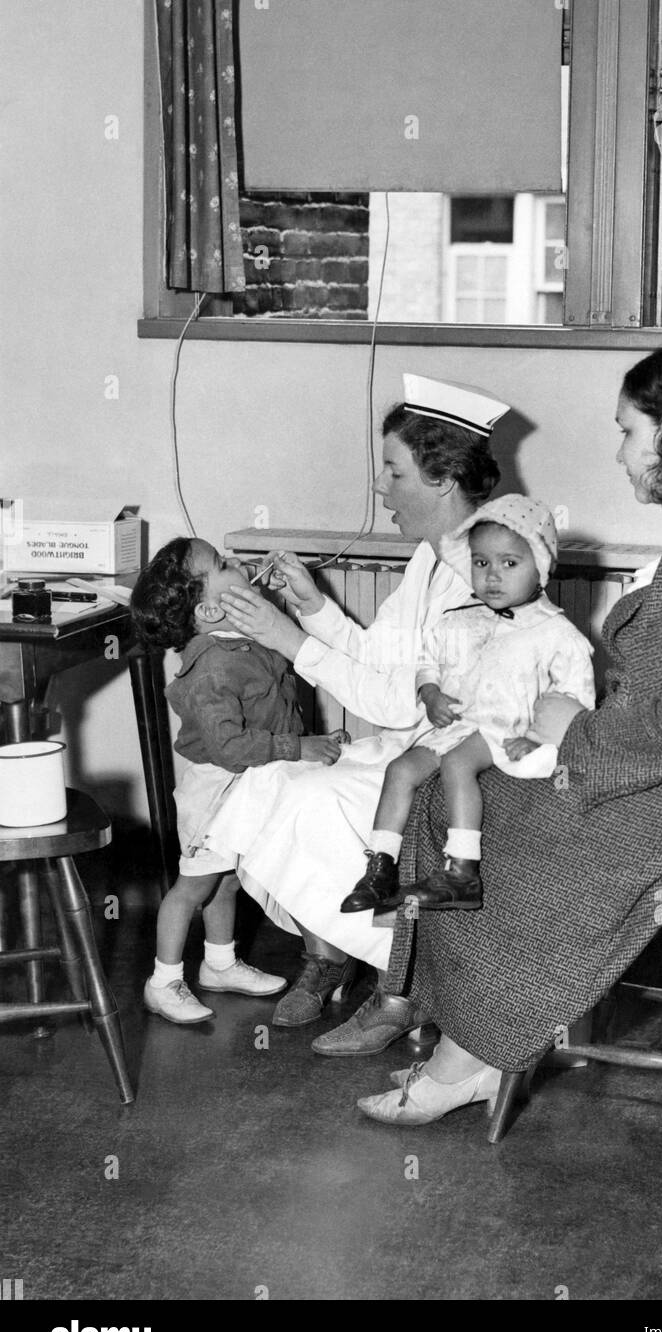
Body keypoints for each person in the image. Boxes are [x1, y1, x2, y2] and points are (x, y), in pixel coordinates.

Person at [355, 340, 662, 1125]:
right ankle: (472, 1048)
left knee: (459, 809)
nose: (620, 453)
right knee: (463, 795)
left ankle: (470, 1053)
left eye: (628, 432)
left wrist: (575, 733)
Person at [205, 375, 512, 1051]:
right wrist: (311, 605)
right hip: (416, 742)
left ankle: (402, 986)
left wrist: (284, 637)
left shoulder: (480, 566)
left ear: (440, 479)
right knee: (267, 782)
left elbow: (393, 697)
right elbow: (381, 657)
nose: (380, 487)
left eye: (392, 470)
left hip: (463, 769)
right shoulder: (436, 555)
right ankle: (331, 952)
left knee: (315, 798)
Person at [340, 494, 595, 916]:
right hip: (457, 725)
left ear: (541, 568)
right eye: (481, 563)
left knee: (458, 763)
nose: (493, 576)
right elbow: (428, 661)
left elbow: (576, 699)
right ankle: (380, 866)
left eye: (509, 564)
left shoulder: (557, 634)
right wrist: (431, 693)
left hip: (505, 728)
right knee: (400, 769)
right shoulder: (460, 617)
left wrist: (536, 739)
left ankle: (461, 870)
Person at [130, 537, 345, 1025]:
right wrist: (299, 748)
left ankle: (220, 963)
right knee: (194, 887)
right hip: (217, 791)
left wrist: (309, 745)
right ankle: (163, 981)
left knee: (226, 882)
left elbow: (275, 708)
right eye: (225, 565)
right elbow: (230, 748)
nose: (240, 564)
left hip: (249, 783)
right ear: (208, 610)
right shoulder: (213, 669)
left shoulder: (242, 641)